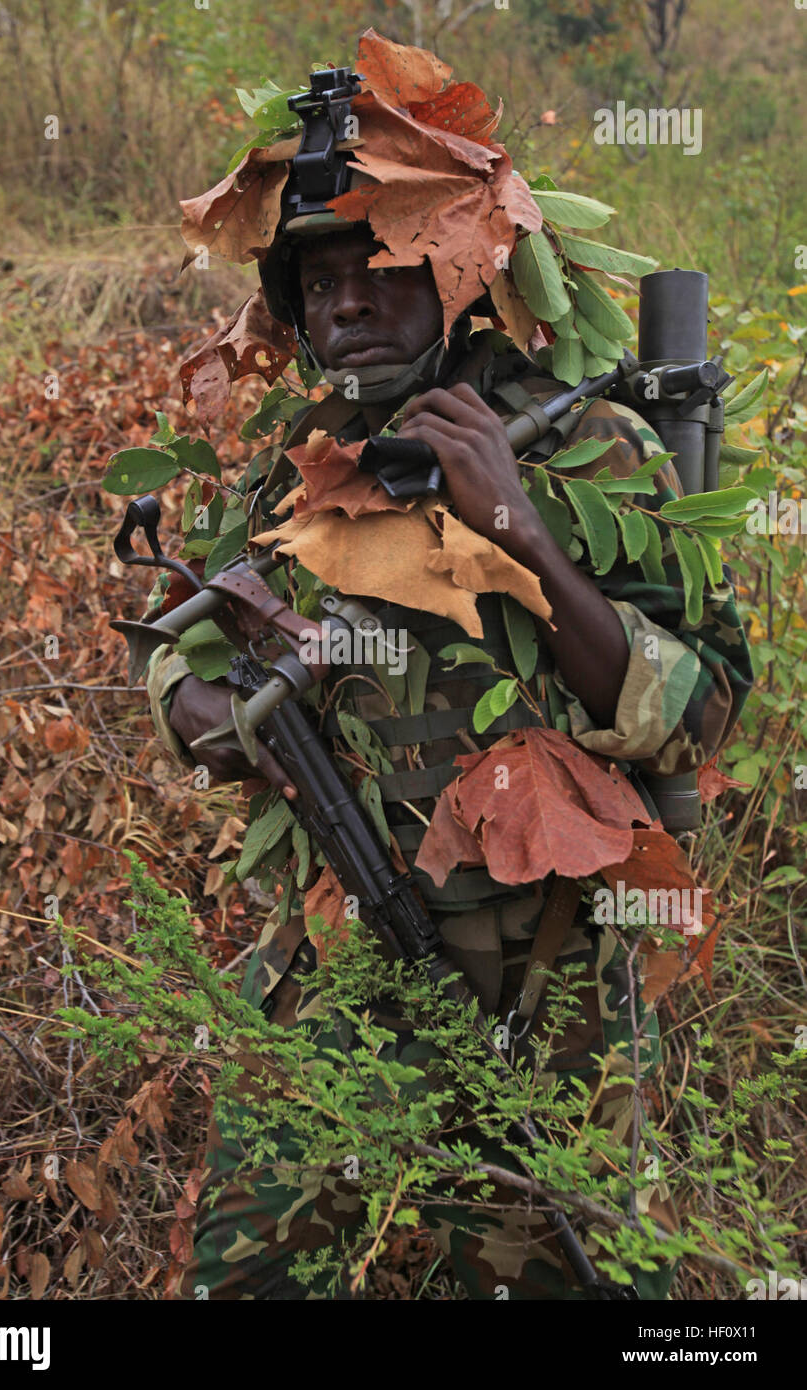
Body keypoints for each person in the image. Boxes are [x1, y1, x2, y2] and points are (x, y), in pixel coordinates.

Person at [137, 38, 753, 1299]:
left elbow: (700, 712)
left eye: (375, 261)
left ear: (459, 266)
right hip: (343, 956)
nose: (344, 303)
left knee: (566, 1275)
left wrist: (516, 519)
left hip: (549, 977)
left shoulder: (583, 448)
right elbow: (178, 646)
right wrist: (200, 707)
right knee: (244, 1275)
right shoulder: (291, 470)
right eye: (315, 280)